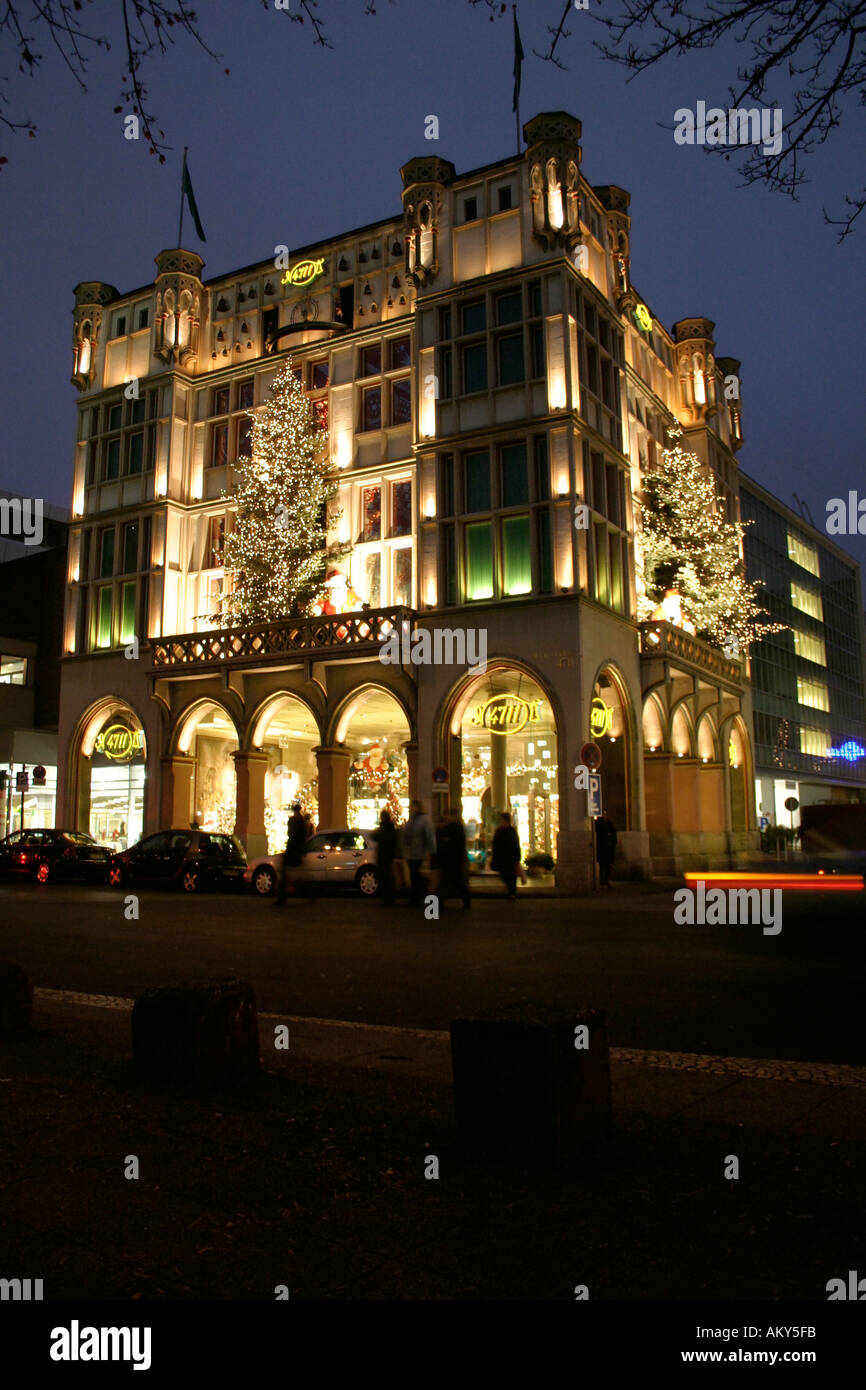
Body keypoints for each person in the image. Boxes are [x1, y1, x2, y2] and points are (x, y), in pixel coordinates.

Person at [401, 799, 436, 907]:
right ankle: (416, 897)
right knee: (414, 876)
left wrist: (431, 851)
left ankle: (419, 897)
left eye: (413, 807)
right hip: (412, 854)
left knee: (418, 876)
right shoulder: (412, 820)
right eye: (411, 807)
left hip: (421, 853)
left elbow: (429, 836)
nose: (411, 809)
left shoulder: (424, 820)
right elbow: (405, 835)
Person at [435, 806, 471, 910]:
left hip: (452, 859)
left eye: (449, 815)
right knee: (455, 882)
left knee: (447, 882)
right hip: (454, 859)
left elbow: (452, 843)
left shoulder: (453, 828)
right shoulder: (456, 828)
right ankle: (465, 901)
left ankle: (438, 904)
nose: (447, 817)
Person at [274, 803, 308, 906]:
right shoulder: (302, 821)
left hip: (292, 849)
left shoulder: (293, 820)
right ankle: (309, 893)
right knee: (302, 873)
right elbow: (303, 835)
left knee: (283, 872)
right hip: (298, 849)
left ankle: (282, 898)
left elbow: (291, 835)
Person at [491, 811, 521, 900]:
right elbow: (495, 844)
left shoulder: (510, 831)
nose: (501, 822)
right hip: (502, 858)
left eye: (502, 820)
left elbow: (515, 845)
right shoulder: (501, 831)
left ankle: (512, 892)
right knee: (506, 874)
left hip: (509, 858)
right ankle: (511, 891)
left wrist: (517, 858)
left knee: (510, 875)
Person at [374, 808, 400, 906]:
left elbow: (378, 837)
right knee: (387, 877)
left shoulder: (386, 827)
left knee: (386, 878)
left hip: (385, 856)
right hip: (387, 856)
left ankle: (387, 898)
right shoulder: (390, 827)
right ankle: (388, 898)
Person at [594, 809, 618, 887]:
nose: (604, 815)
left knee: (608, 865)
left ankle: (605, 880)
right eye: (603, 814)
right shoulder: (598, 824)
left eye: (605, 814)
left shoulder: (608, 823)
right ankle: (602, 880)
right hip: (602, 848)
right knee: (603, 865)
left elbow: (613, 834)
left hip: (607, 848)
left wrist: (612, 843)